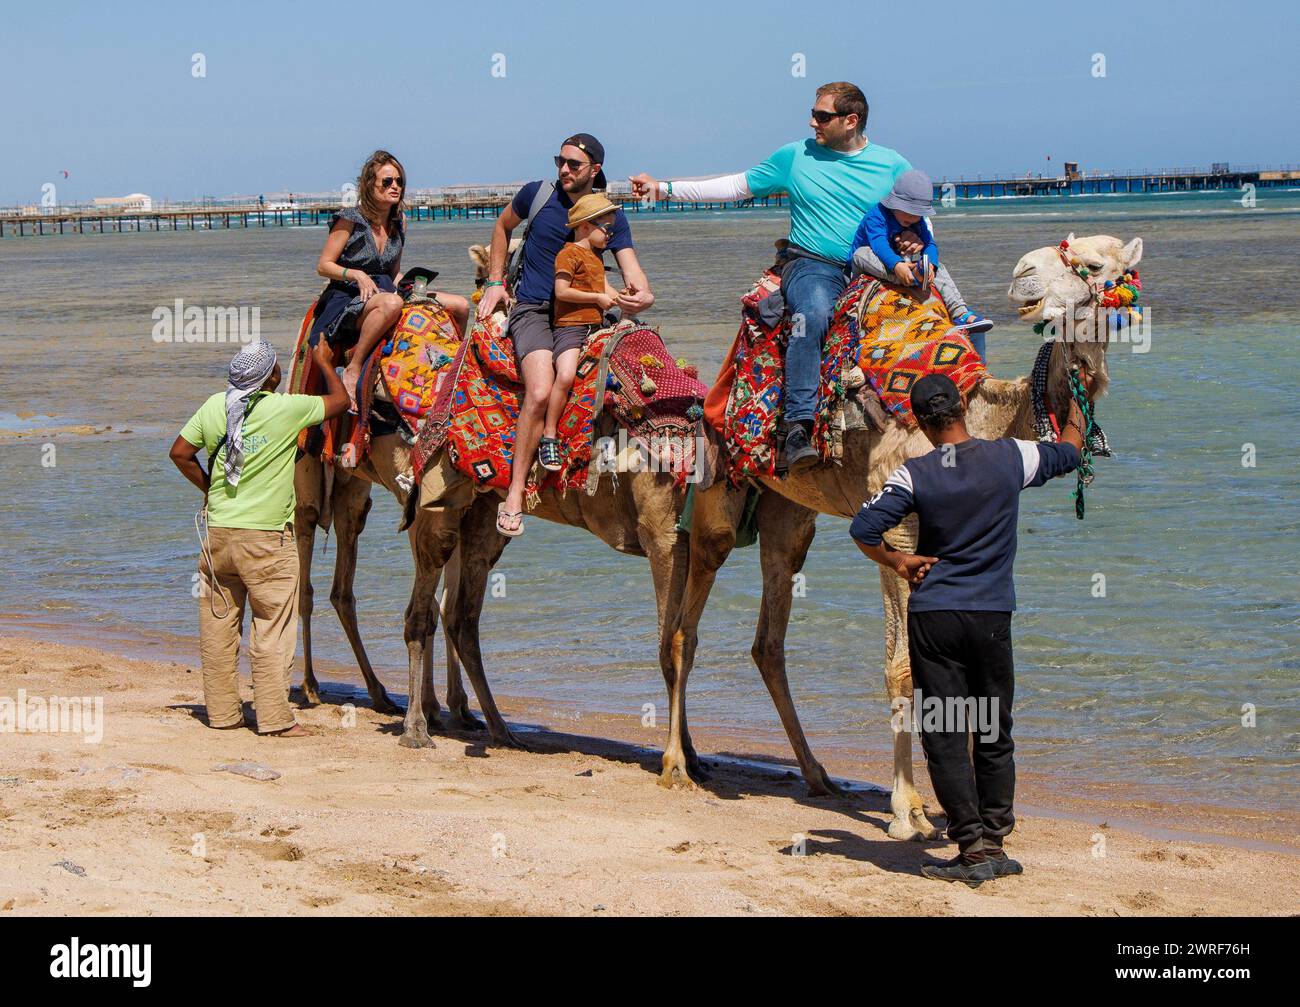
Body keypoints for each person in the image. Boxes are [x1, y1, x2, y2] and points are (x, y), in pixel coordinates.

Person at [848, 371, 1094, 886]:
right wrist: (1078, 406)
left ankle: (972, 847)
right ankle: (996, 837)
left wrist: (898, 561)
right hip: (991, 616)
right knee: (992, 727)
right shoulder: (1011, 457)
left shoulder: (913, 474)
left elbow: (863, 528)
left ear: (919, 422)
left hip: (936, 617)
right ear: (962, 405)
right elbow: (1069, 452)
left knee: (944, 731)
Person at [630, 82, 912, 471]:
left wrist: (917, 248)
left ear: (851, 120)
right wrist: (664, 189)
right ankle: (796, 427)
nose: (812, 121)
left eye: (822, 116)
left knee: (945, 308)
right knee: (810, 316)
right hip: (815, 265)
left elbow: (917, 216)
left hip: (876, 267)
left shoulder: (893, 164)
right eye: (813, 113)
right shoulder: (796, 156)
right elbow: (736, 186)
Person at [477, 133, 655, 537]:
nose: (563, 170)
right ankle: (515, 494)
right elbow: (503, 227)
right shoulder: (537, 195)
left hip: (581, 316)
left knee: (639, 375)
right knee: (539, 391)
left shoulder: (611, 215)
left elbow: (631, 267)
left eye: (574, 164)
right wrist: (493, 281)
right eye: (560, 160)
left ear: (595, 169)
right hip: (535, 311)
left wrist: (641, 294)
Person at [169, 340, 349, 736]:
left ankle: (222, 715)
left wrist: (209, 490)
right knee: (272, 629)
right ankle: (274, 719)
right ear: (270, 377)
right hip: (267, 540)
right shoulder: (285, 408)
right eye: (277, 368)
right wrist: (323, 362)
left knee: (218, 629)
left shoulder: (214, 406)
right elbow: (340, 401)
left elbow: (180, 453)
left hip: (218, 536)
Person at [312, 150, 469, 436]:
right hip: (349, 297)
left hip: (387, 290)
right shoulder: (350, 219)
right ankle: (354, 367)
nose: (395, 186)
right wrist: (355, 273)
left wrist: (416, 287)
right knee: (392, 304)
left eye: (399, 181)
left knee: (459, 305)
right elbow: (324, 265)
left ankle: (451, 371)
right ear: (369, 185)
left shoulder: (399, 222)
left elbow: (393, 272)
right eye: (387, 181)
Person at [848, 169, 993, 360]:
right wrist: (897, 266)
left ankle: (960, 312)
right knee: (860, 253)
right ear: (894, 204)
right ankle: (910, 277)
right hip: (870, 265)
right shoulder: (877, 216)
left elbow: (930, 243)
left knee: (940, 267)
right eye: (908, 212)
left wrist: (931, 265)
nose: (913, 218)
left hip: (901, 265)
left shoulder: (917, 221)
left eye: (917, 214)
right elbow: (879, 246)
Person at [524, 193, 620, 481]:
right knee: (565, 376)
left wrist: (624, 298)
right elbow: (562, 292)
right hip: (571, 327)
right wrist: (598, 298)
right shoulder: (568, 254)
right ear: (586, 226)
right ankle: (550, 436)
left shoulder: (595, 257)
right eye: (607, 229)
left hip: (595, 325)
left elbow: (605, 292)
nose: (611, 236)